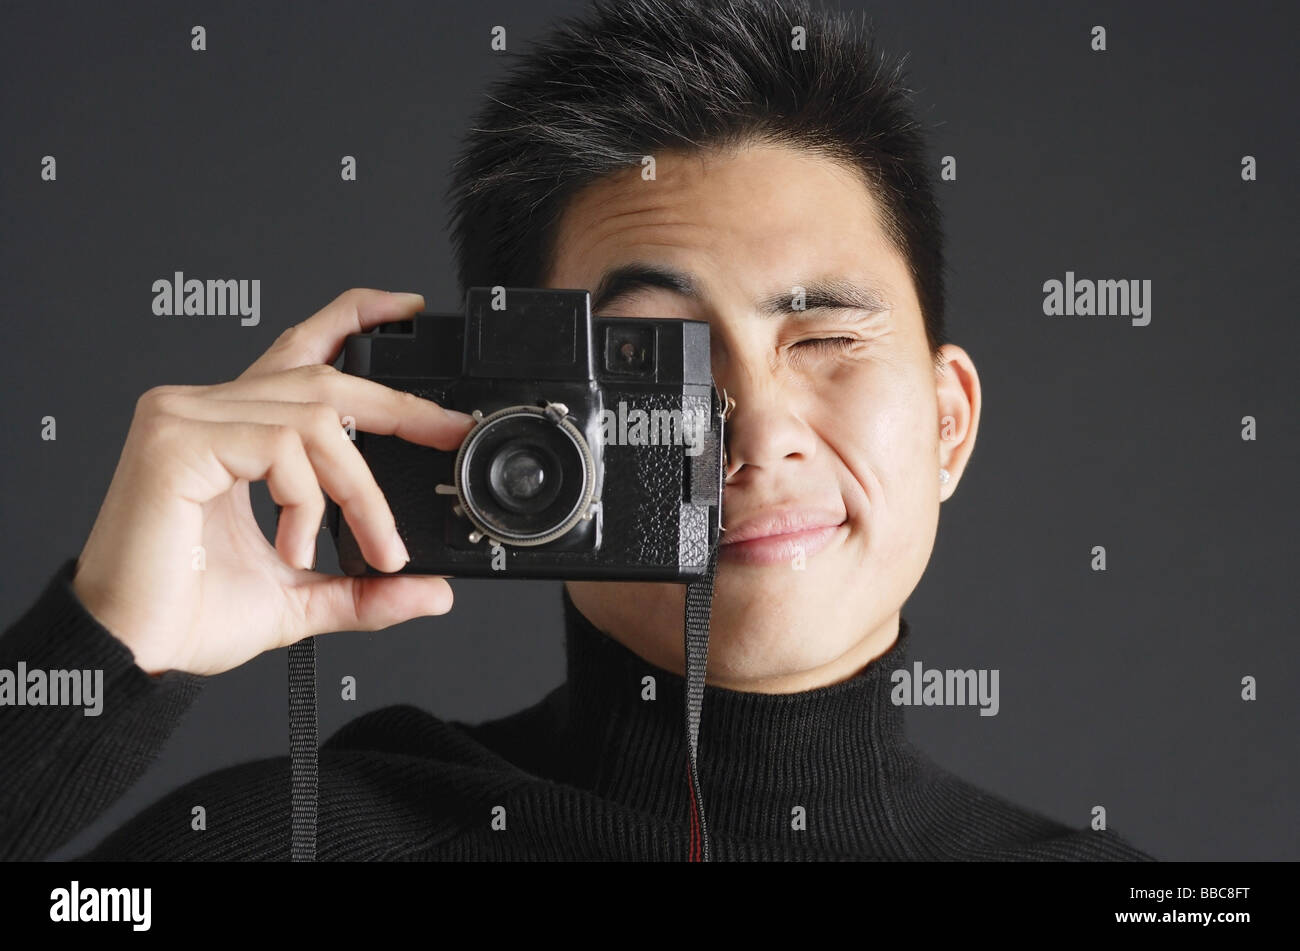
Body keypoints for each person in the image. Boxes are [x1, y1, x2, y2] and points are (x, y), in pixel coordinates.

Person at [0, 0, 1151, 861]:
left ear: (948, 422)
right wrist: (100, 653)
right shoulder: (303, 840)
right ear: (506, 417)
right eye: (654, 359)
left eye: (823, 340)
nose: (752, 432)